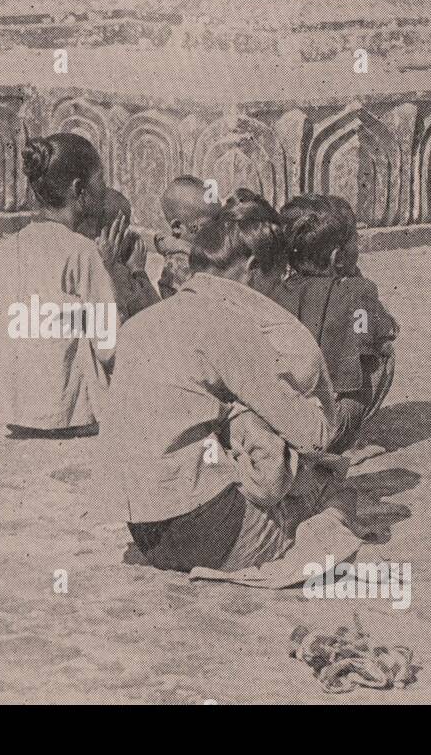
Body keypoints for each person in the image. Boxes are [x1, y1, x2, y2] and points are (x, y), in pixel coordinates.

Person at [99, 192, 348, 572]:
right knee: (327, 491)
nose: (274, 293)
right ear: (251, 268)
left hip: (148, 535)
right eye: (275, 280)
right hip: (213, 533)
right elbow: (314, 433)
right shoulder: (229, 324)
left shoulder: (144, 323)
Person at [0, 133, 121, 435]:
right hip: (71, 415)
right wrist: (110, 273)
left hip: (15, 409)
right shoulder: (82, 251)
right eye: (100, 179)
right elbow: (108, 347)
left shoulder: (10, 247)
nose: (105, 188)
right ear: (78, 189)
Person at [271, 194, 397, 455]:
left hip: (278, 421)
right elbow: (387, 330)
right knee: (383, 353)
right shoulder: (357, 292)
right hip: (326, 429)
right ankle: (345, 446)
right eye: (355, 241)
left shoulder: (277, 290)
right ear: (337, 257)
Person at [77, 188, 160, 318]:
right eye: (125, 230)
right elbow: (155, 314)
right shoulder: (121, 274)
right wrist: (138, 272)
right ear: (115, 234)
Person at [155, 175, 220, 298]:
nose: (218, 229)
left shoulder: (192, 250)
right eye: (209, 224)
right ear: (178, 227)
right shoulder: (179, 265)